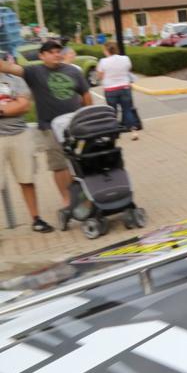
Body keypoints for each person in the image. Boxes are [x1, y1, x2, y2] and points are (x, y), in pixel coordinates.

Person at [0, 40, 92, 229]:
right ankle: (67, 202)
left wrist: (88, 116)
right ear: (42, 56)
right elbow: (5, 66)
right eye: (50, 52)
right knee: (59, 166)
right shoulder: (34, 73)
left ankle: (90, 197)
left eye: (58, 51)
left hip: (76, 126)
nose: (56, 54)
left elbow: (86, 95)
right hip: (50, 127)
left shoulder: (73, 71)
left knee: (85, 162)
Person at [0, 61, 50, 232]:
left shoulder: (14, 79)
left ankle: (36, 219)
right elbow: (17, 105)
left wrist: (2, 110)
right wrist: (10, 106)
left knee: (26, 179)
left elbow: (24, 105)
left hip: (20, 135)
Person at [97, 41, 142, 139]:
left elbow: (100, 77)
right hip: (125, 88)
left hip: (110, 89)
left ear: (106, 50)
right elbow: (128, 70)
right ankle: (134, 131)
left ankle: (114, 134)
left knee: (112, 112)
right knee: (127, 110)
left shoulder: (103, 62)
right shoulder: (125, 59)